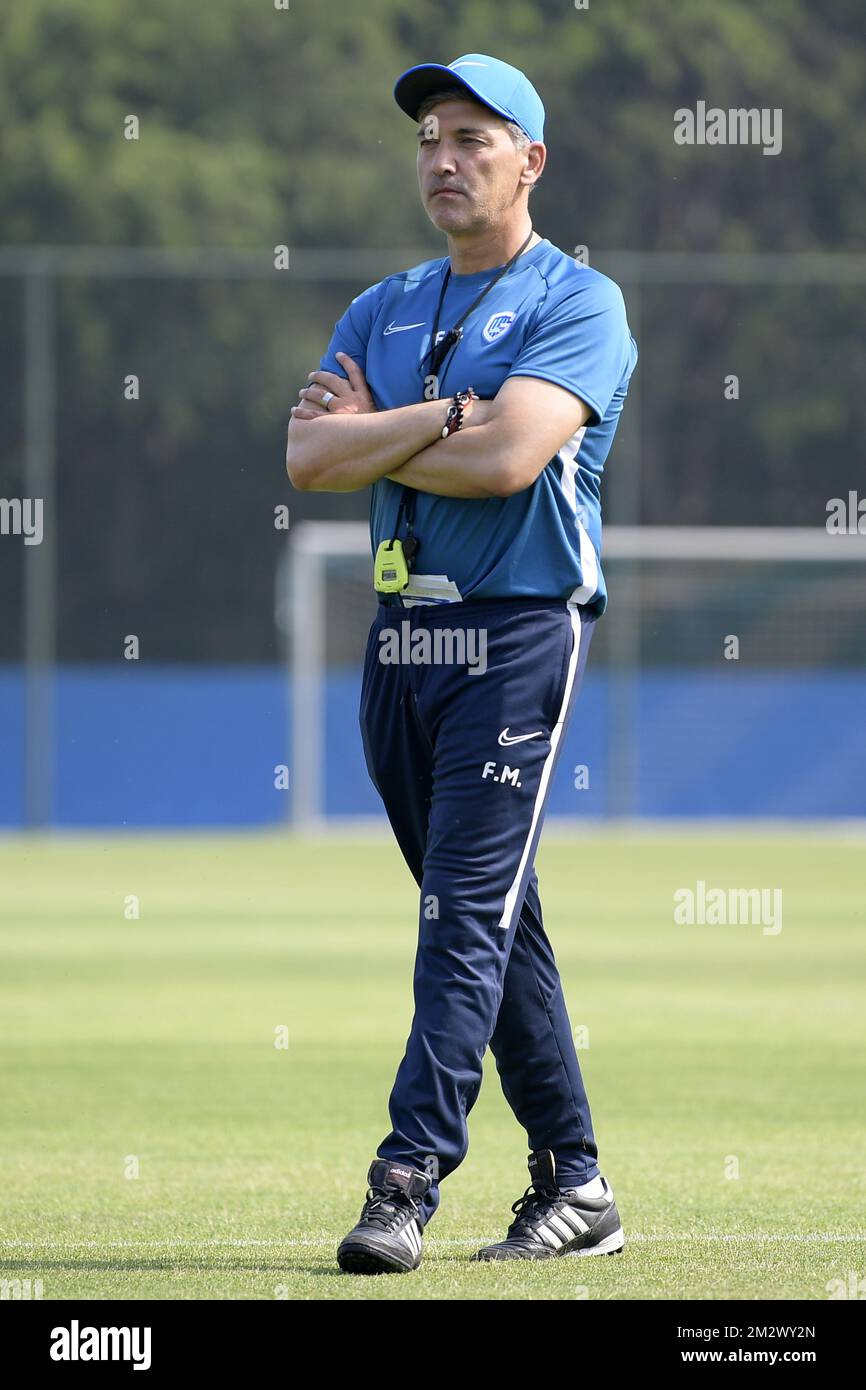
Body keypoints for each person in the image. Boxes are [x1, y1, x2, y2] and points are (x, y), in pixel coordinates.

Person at [286, 53, 638, 1275]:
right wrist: (447, 416)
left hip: (517, 629)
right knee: (492, 915)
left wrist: (382, 435)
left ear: (528, 160)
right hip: (400, 637)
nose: (442, 157)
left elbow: (508, 465)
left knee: (459, 921)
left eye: (472, 138)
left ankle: (405, 1180)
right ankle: (577, 1182)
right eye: (429, 137)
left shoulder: (576, 303)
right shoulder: (378, 305)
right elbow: (305, 461)